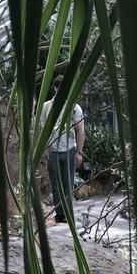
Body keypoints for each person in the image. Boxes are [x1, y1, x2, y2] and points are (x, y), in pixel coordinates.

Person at [41, 77, 85, 223]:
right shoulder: (46, 106)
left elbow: (80, 131)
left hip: (69, 150)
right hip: (52, 151)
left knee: (68, 183)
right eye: (60, 88)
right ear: (55, 88)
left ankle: (67, 213)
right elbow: (42, 129)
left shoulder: (74, 107)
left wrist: (79, 152)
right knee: (56, 184)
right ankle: (59, 214)